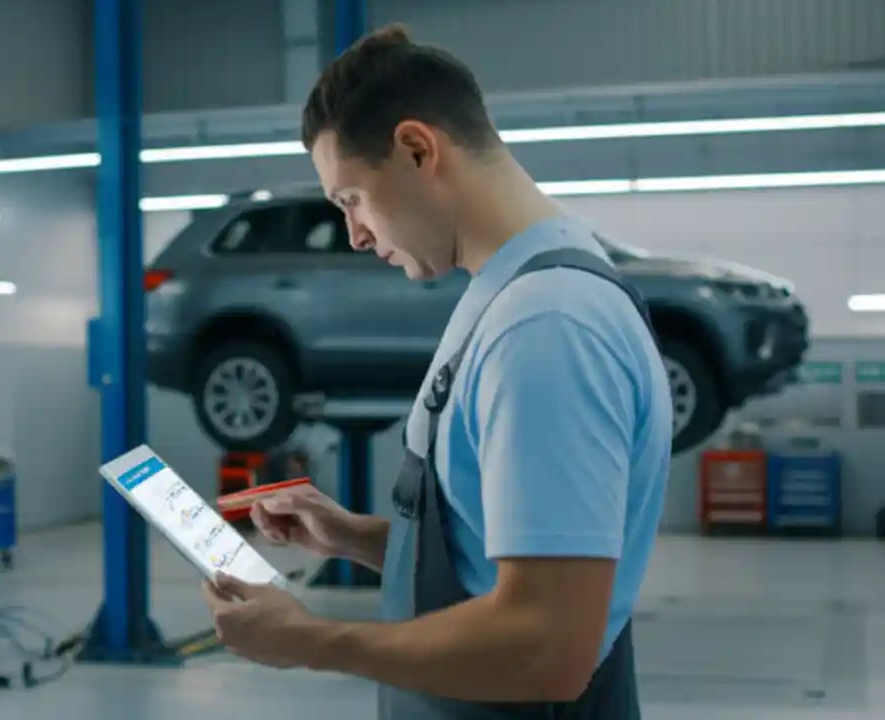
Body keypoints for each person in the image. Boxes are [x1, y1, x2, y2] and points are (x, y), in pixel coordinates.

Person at [200, 24, 672, 719]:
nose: (356, 235)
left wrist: (310, 640)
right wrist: (352, 535)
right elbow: (500, 552)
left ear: (417, 150)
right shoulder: (512, 297)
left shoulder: (547, 324)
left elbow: (547, 642)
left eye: (350, 199)